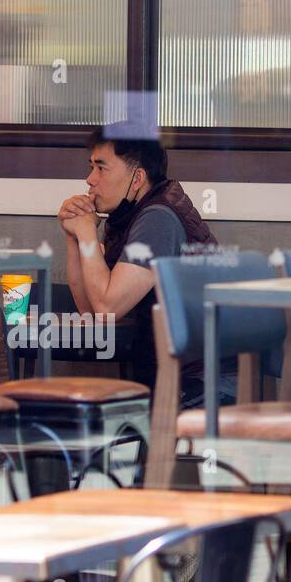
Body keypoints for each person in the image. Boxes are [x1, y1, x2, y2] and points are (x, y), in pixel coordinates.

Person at [56, 125, 235, 408]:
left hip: (207, 380)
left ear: (137, 178)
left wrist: (88, 233)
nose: (89, 180)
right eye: (91, 167)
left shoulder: (157, 219)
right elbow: (89, 310)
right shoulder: (131, 216)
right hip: (175, 373)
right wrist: (73, 236)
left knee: (101, 424)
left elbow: (106, 309)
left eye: (102, 169)